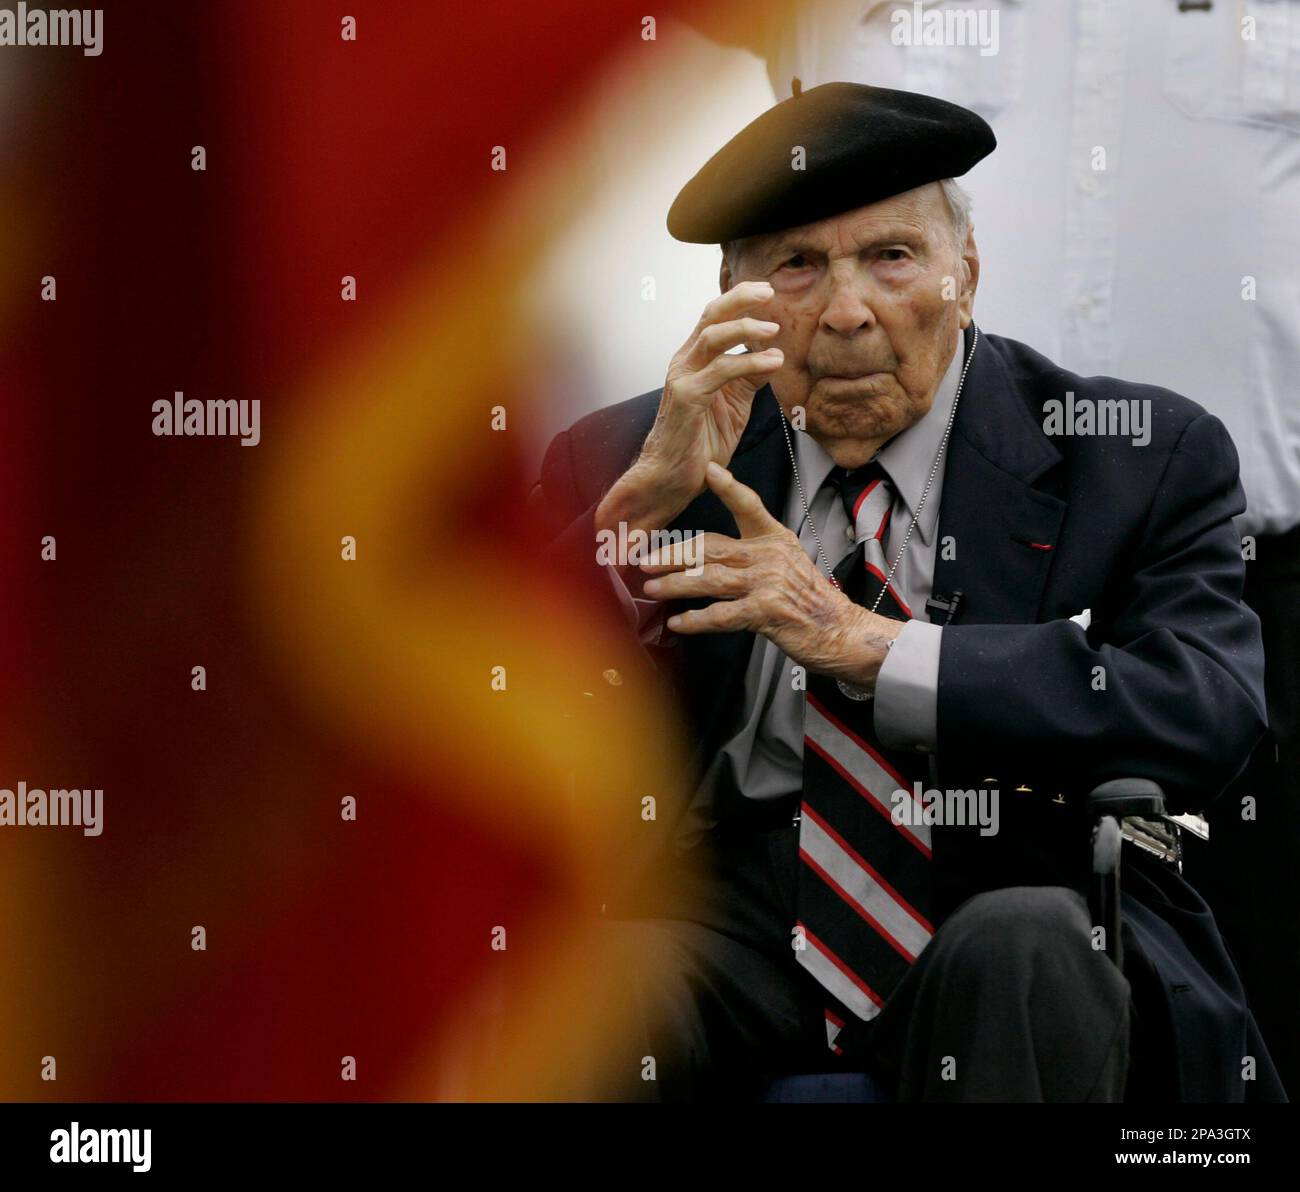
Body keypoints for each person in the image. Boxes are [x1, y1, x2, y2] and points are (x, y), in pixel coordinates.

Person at [528, 82, 1285, 1101]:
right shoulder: (629, 456)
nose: (846, 313)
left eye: (890, 257)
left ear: (964, 273)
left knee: (1025, 947)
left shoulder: (1137, 454)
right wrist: (629, 530)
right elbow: (477, 739)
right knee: (582, 993)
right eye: (796, 265)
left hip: (1023, 879)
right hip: (740, 908)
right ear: (731, 299)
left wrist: (863, 642)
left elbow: (1205, 711)